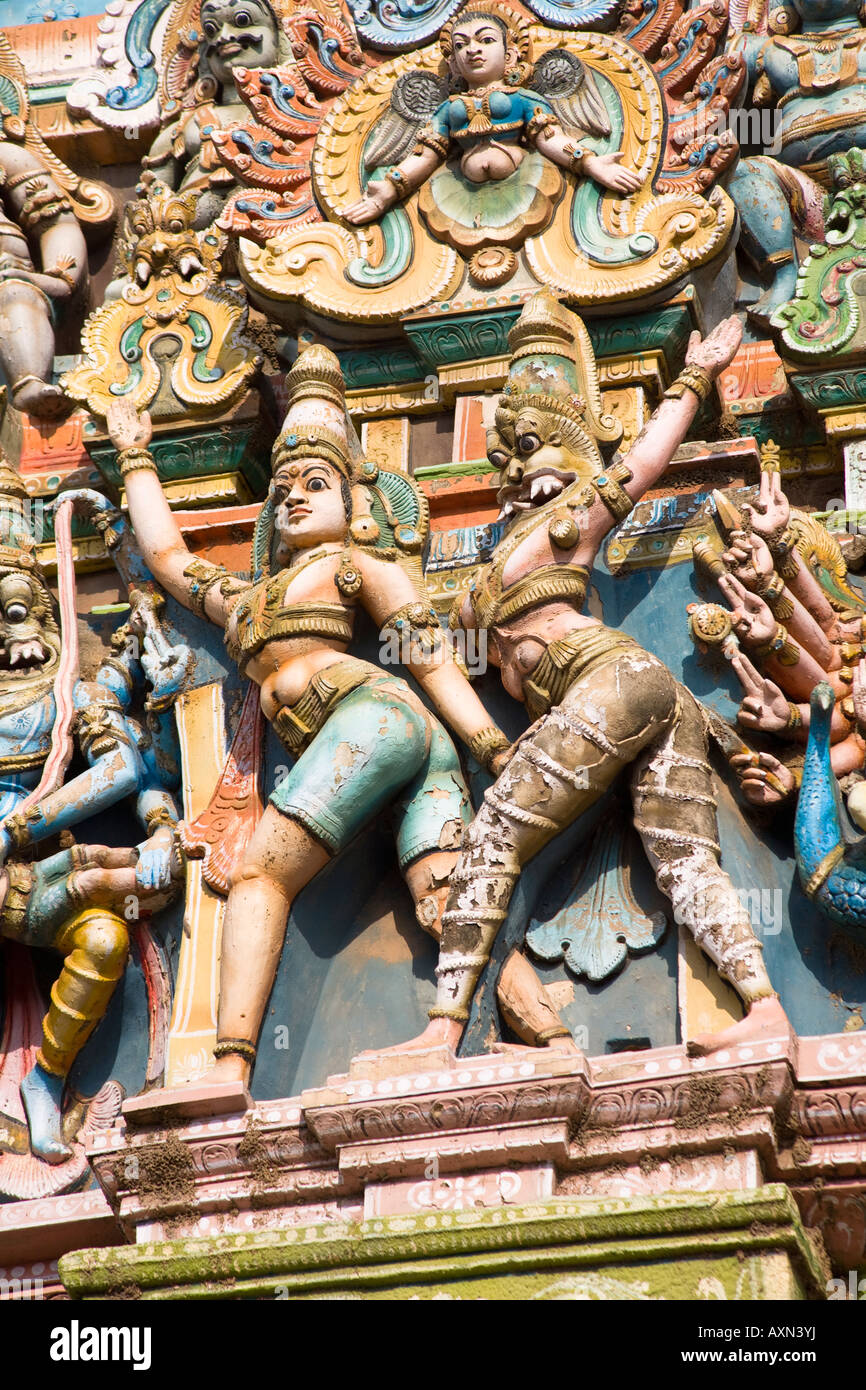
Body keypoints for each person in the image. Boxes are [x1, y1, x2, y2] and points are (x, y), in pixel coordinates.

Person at [106, 343, 576, 1084]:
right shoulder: (243, 600)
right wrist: (135, 456)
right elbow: (166, 555)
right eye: (283, 487)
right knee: (442, 899)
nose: (294, 496)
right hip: (398, 744)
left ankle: (229, 1072)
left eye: (316, 484)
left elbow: (427, 656)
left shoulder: (360, 568)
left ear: (355, 504)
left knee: (262, 874)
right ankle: (551, 1041)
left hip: (377, 718)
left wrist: (492, 744)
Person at [382, 293, 790, 1058]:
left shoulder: (565, 532)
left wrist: (694, 380)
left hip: (614, 680)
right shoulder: (489, 579)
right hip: (648, 699)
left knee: (496, 827)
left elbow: (638, 468)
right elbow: (435, 649)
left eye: (544, 451)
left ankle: (441, 1032)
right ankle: (764, 1007)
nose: (526, 473)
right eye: (512, 457)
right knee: (683, 857)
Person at [342, 7, 640, 227]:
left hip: (528, 182)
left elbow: (550, 139)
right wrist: (386, 193)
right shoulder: (448, 109)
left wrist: (590, 164)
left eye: (485, 41)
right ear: (454, 65)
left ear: (509, 55)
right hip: (457, 196)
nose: (473, 50)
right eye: (461, 45)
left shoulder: (522, 99)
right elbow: (425, 154)